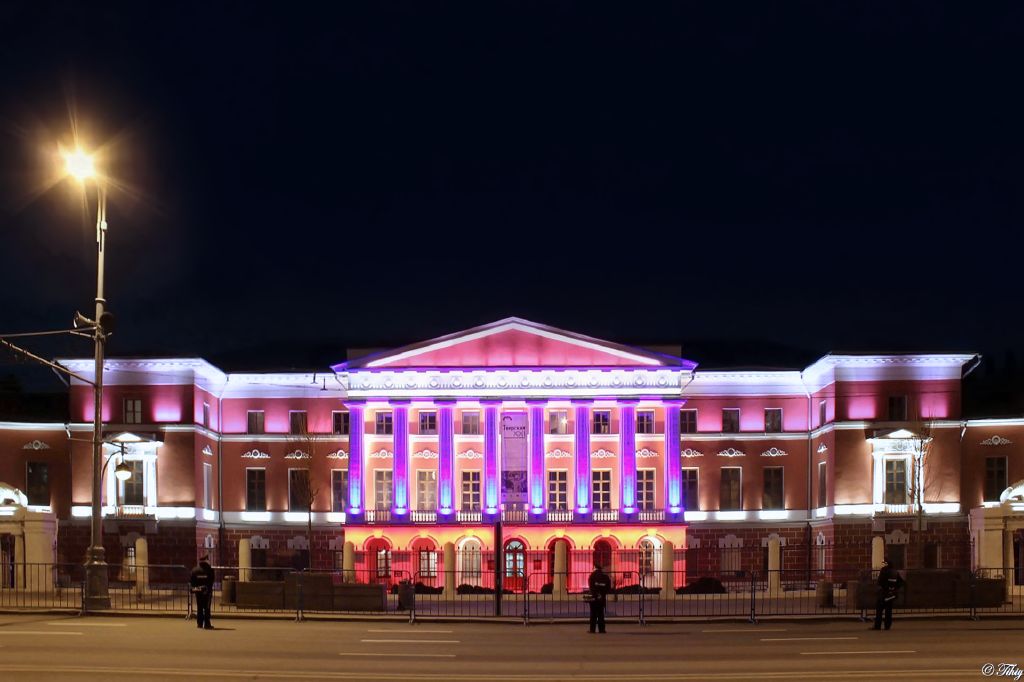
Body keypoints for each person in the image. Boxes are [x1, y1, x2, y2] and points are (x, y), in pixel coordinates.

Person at [873, 558, 904, 630]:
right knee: (888, 610)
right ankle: (887, 626)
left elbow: (880, 581)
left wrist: (884, 588)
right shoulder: (895, 571)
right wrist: (894, 588)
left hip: (883, 593)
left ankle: (877, 626)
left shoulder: (884, 570)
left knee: (879, 610)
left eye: (884, 563)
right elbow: (901, 582)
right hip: (891, 594)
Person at [190, 554, 215, 630]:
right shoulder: (210, 570)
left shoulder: (194, 570)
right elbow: (212, 581)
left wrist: (197, 587)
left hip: (198, 591)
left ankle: (199, 623)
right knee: (207, 607)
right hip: (207, 591)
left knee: (199, 607)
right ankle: (207, 623)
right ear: (206, 560)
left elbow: (192, 582)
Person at [587, 562, 612, 634]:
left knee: (593, 614)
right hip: (602, 597)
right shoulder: (605, 577)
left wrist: (596, 593)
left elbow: (591, 587)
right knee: (601, 614)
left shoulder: (592, 576)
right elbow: (608, 588)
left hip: (594, 597)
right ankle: (602, 629)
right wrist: (602, 593)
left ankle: (592, 629)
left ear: (594, 568)